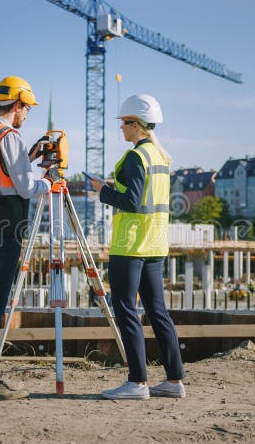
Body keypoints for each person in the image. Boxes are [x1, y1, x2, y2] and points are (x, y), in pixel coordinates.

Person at [90, 94, 185, 400]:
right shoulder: (159, 157)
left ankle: (137, 382)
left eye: (124, 123)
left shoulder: (136, 157)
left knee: (126, 311)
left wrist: (102, 190)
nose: (121, 128)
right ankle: (174, 380)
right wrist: (113, 187)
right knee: (158, 312)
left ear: (136, 124)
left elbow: (131, 201)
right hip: (154, 244)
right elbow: (142, 197)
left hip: (130, 245)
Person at [0, 75, 54, 400]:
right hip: (8, 225)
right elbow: (25, 187)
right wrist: (49, 182)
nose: (27, 115)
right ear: (17, 104)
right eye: (27, 109)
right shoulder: (10, 136)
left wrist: (27, 157)